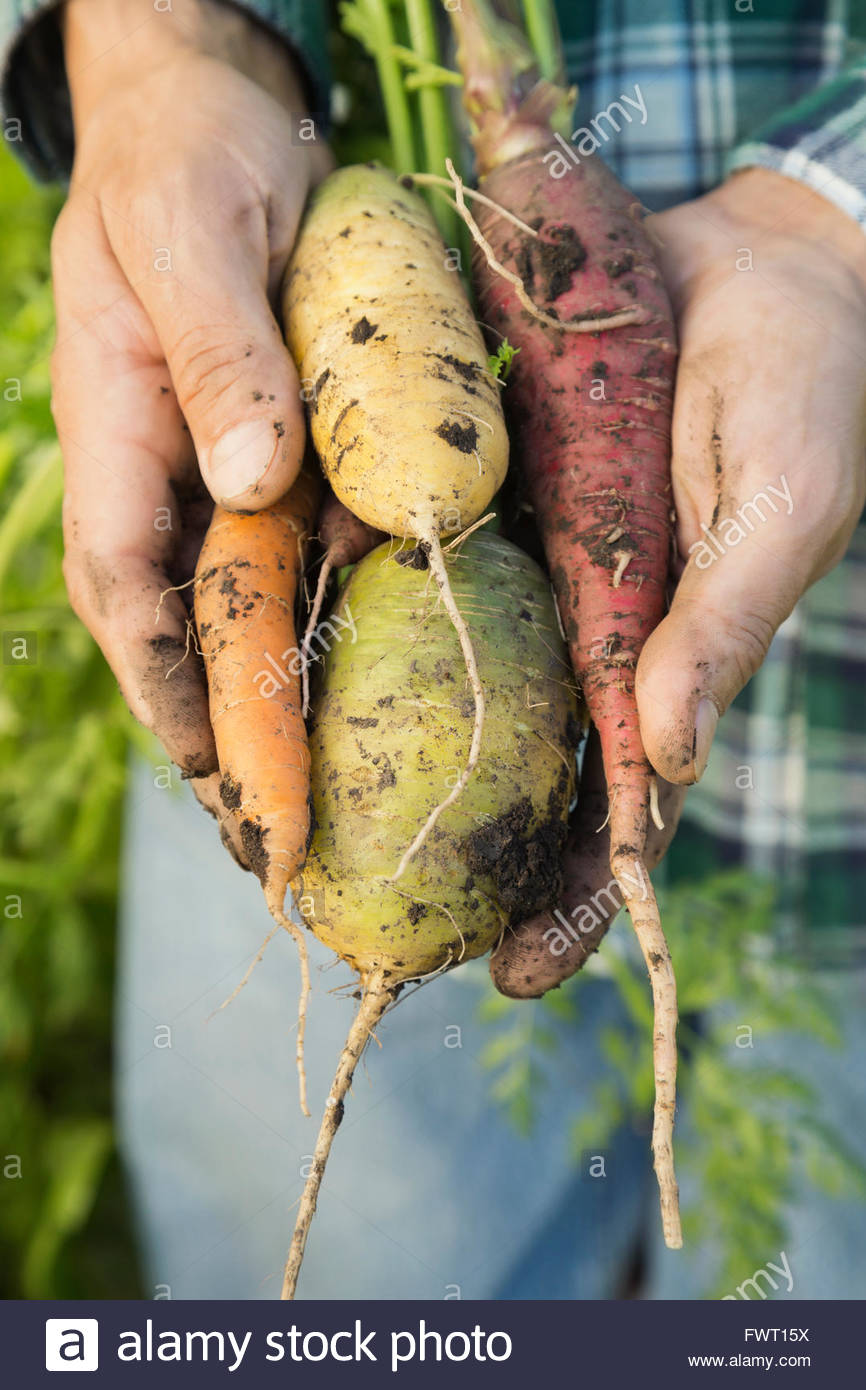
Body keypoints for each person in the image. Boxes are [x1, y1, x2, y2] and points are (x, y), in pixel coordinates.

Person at [2, 0, 865, 1298]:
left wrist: (832, 229)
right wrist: (165, 53)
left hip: (832, 747)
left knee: (803, 1293)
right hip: (306, 689)